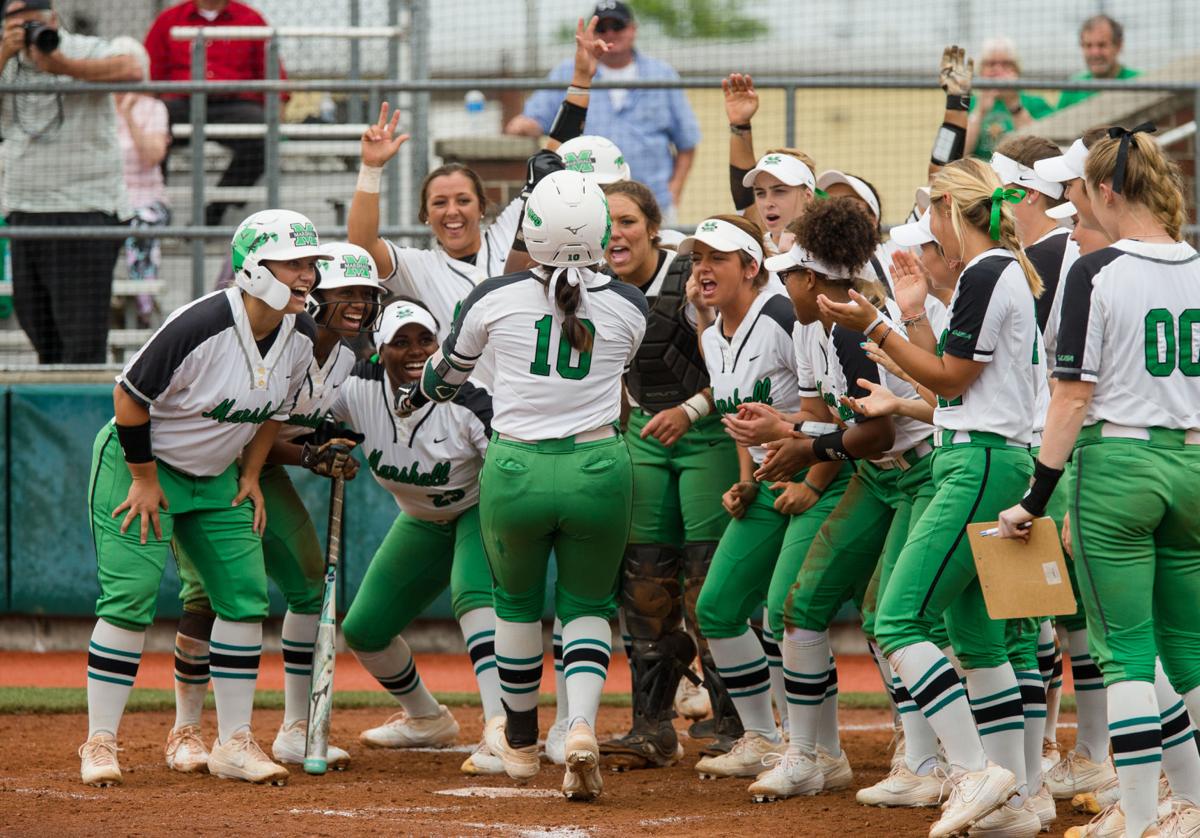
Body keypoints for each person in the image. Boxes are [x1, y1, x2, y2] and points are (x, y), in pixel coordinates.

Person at [394, 169, 647, 802]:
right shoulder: (629, 304)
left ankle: (523, 737)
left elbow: (447, 377)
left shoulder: (493, 296)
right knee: (587, 607)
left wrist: (421, 389)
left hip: (515, 469)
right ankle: (581, 726)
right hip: (599, 467)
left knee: (515, 605)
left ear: (531, 229)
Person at [819, 158, 1045, 836]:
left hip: (978, 464)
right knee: (979, 638)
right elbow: (955, 383)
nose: (928, 234)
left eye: (932, 216)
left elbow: (949, 384)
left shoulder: (985, 271)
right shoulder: (1000, 270)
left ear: (951, 209)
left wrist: (878, 326)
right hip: (993, 459)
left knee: (897, 620)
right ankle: (1017, 798)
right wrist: (912, 318)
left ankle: (976, 770)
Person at [79, 209, 329, 788]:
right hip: (140, 465)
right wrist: (143, 481)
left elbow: (273, 409)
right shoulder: (202, 322)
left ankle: (233, 742)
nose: (307, 276)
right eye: (294, 263)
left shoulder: (302, 334)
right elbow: (129, 399)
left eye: (310, 264)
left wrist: (252, 472)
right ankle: (100, 742)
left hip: (216, 474)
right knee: (130, 599)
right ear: (253, 267)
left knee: (244, 599)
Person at [998, 128, 1200, 838]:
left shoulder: (1096, 271)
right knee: (1191, 650)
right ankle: (1194, 811)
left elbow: (1071, 397)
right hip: (1192, 463)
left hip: (1118, 468)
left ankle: (1143, 818)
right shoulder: (1197, 263)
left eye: (1085, 191)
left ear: (1107, 191)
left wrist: (1033, 498)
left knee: (1126, 656)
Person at [725, 199, 938, 805]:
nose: (780, 280)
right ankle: (810, 757)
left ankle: (924, 760)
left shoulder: (852, 324)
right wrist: (786, 428)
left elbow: (879, 432)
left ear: (811, 279)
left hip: (920, 473)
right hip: (876, 476)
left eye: (788, 272)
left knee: (893, 615)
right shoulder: (809, 323)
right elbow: (822, 415)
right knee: (803, 603)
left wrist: (803, 448)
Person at [163, 241, 383, 776]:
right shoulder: (288, 335)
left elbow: (290, 425)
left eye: (366, 293)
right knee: (205, 597)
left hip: (264, 468)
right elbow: (241, 424)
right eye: (344, 291)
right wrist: (308, 453)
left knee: (310, 585)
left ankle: (294, 729)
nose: (357, 303)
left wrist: (322, 445)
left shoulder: (350, 354)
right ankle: (185, 731)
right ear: (314, 293)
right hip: (206, 464)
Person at [674, 214, 850, 782]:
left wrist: (804, 473)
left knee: (789, 615)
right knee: (717, 608)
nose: (702, 268)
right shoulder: (709, 336)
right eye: (697, 258)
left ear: (751, 267)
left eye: (717, 258)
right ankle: (763, 738)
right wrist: (745, 479)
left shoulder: (781, 315)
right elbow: (740, 423)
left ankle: (824, 752)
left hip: (819, 475)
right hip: (770, 485)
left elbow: (825, 410)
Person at [592, 180, 740, 771]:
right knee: (645, 584)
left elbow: (739, 356)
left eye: (627, 221)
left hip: (705, 429)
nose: (616, 234)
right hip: (643, 435)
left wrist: (692, 411)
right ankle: (652, 727)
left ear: (652, 227)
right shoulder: (592, 283)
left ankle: (734, 722)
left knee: (708, 585)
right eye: (605, 225)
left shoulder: (689, 271)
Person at [331, 299, 503, 776]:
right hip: (421, 518)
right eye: (400, 342)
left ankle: (501, 730)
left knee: (473, 598)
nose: (413, 352)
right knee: (364, 629)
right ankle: (426, 717)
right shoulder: (358, 386)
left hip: (477, 507)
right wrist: (318, 445)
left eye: (425, 341)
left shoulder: (470, 397)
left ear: (440, 345)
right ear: (377, 349)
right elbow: (307, 419)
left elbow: (510, 469)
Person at [0, 0, 143, 364]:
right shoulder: (5, 62)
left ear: (53, 19)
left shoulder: (85, 48)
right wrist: (4, 52)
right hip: (25, 210)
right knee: (38, 326)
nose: (30, 33)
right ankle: (53, 413)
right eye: (18, 25)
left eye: (35, 23)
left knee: (81, 337)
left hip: (85, 209)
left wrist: (59, 64)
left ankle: (81, 414)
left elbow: (133, 68)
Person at [505, 1, 700, 223]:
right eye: (602, 28)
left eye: (617, 26)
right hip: (584, 203)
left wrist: (674, 191)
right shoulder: (568, 72)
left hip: (651, 203)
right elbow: (535, 119)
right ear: (592, 32)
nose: (610, 33)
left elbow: (687, 142)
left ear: (633, 29)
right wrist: (522, 125)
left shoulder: (663, 74)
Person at [144, 0, 286, 227]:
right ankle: (154, 209)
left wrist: (278, 111)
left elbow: (272, 73)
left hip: (234, 103)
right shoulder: (169, 20)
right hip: (182, 101)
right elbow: (150, 72)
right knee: (152, 125)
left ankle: (216, 209)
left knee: (264, 133)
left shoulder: (250, 19)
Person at [115, 90, 171, 327]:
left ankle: (143, 305)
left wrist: (128, 115)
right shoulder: (93, 105)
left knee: (140, 223)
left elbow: (152, 156)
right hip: (108, 201)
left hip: (147, 199)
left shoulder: (153, 108)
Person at [965, 37, 1053, 162]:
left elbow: (1044, 153)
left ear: (1016, 70)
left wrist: (1014, 105)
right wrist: (979, 112)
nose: (998, 70)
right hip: (980, 177)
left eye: (1005, 64)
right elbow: (958, 154)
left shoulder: (1036, 103)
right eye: (991, 64)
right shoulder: (967, 104)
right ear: (981, 71)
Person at [1057, 15, 1140, 110]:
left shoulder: (1138, 82)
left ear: (1118, 46)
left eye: (1102, 45)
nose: (1095, 53)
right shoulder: (1073, 88)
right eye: (1088, 46)